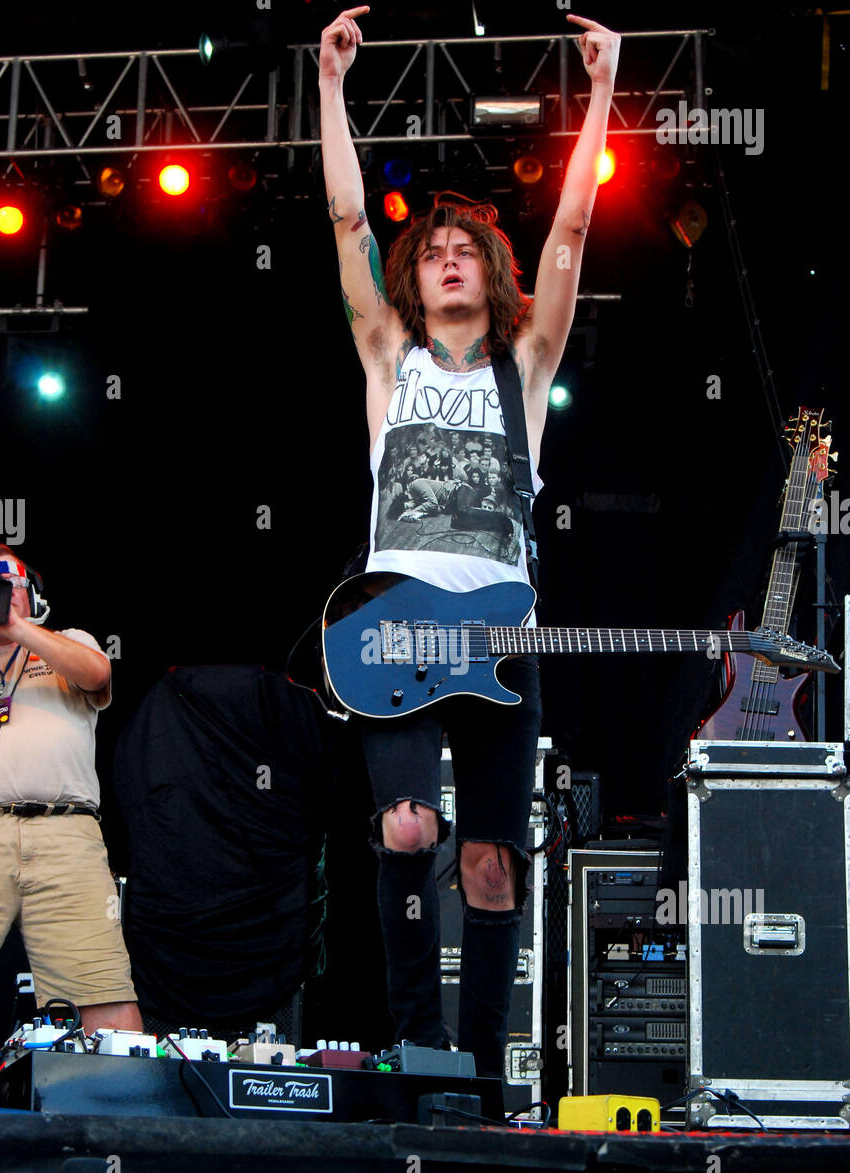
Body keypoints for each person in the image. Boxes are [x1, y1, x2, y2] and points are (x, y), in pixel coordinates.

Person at [319, 8, 619, 1076]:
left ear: (491, 273)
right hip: (394, 624)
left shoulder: (523, 368)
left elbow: (574, 235)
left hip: (500, 642)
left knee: (492, 865)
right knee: (408, 829)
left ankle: (484, 1071)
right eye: (434, 252)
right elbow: (351, 220)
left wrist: (602, 90)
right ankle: (417, 1047)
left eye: (464, 252)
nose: (447, 261)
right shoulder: (387, 357)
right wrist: (331, 85)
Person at [0, 544, 143, 1060]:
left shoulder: (66, 642)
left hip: (65, 832)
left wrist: (18, 630)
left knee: (101, 995)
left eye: (10, 586)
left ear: (32, 594)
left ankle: (115, 1126)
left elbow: (97, 674)